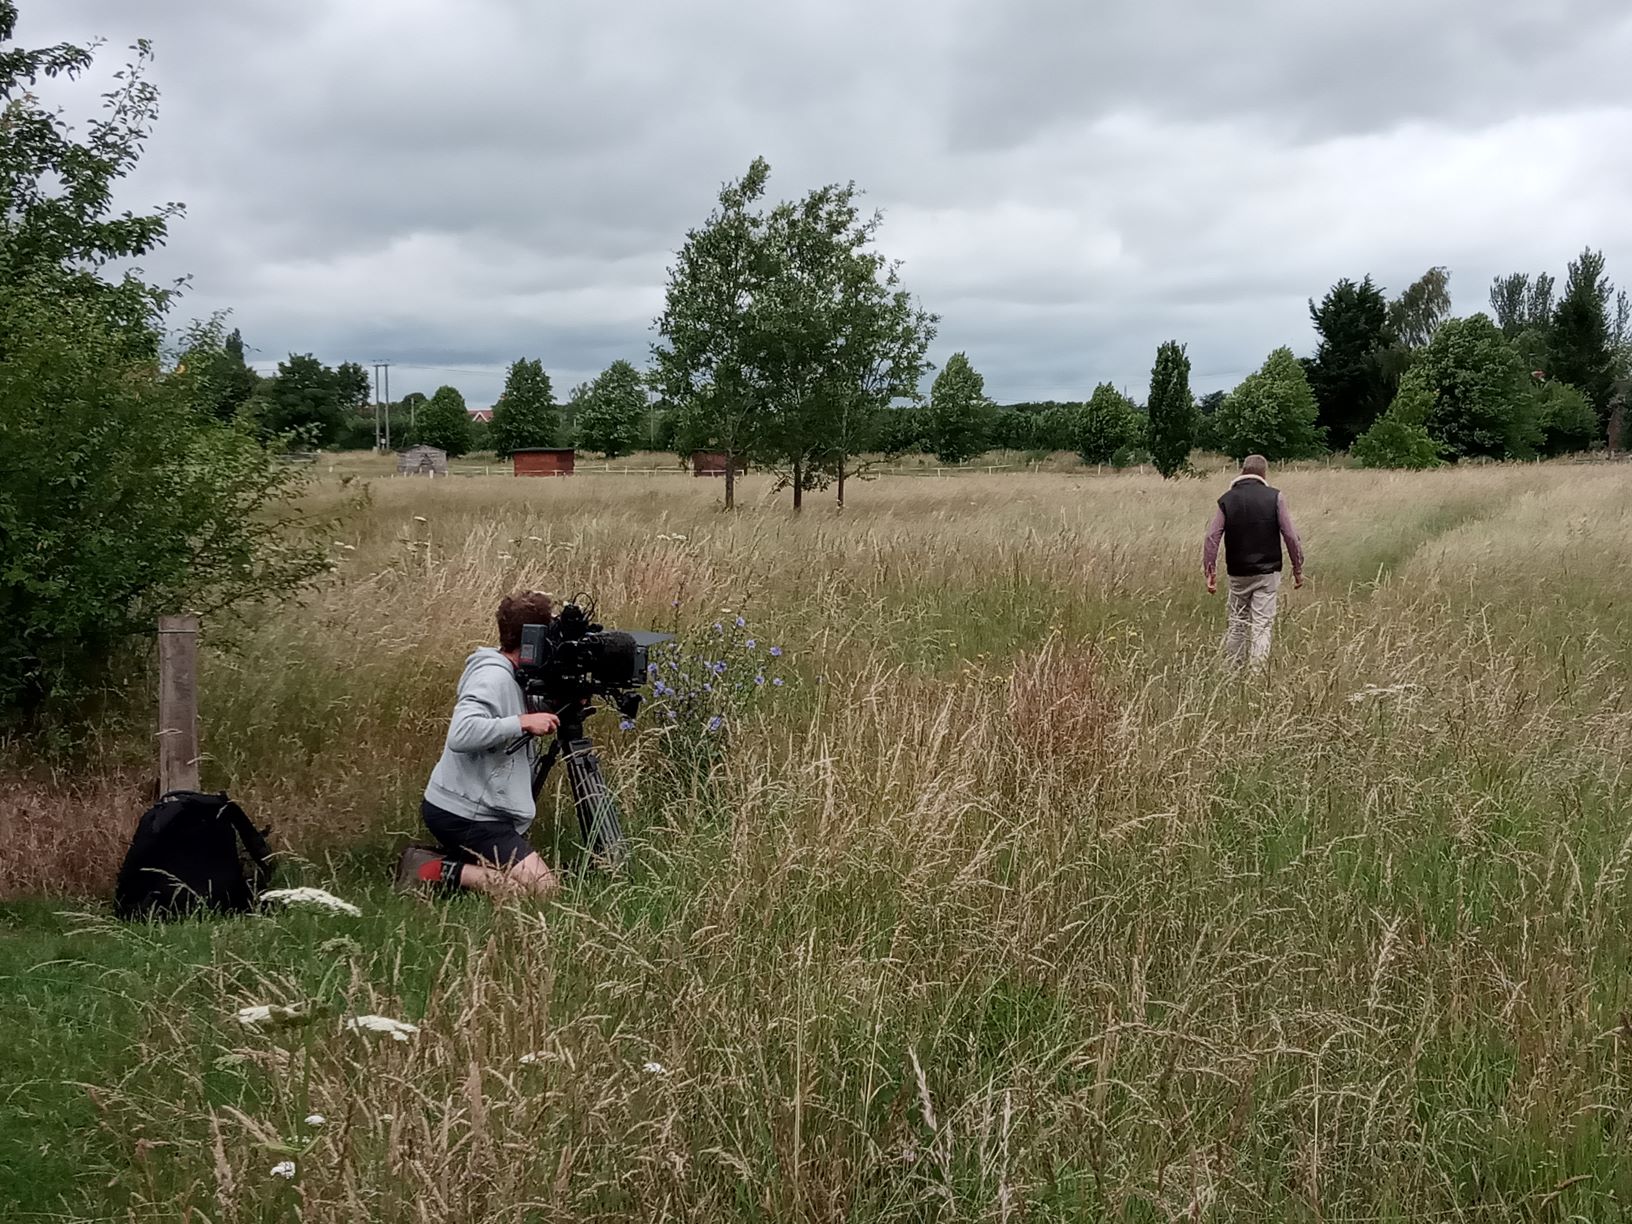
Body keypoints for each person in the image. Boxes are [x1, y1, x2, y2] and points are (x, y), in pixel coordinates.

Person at [396, 591, 563, 898]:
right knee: (542, 890)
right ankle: (422, 867)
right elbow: (461, 733)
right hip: (464, 812)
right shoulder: (492, 675)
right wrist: (522, 723)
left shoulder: (517, 675)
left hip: (481, 809)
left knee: (517, 888)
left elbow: (517, 703)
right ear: (536, 639)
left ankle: (455, 866)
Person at [1202, 454, 1305, 669]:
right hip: (1268, 573)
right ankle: (1257, 675)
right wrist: (1297, 568)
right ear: (1264, 473)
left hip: (1238, 572)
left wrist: (1210, 572)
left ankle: (1232, 671)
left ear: (1242, 471)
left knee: (1238, 624)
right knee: (1262, 626)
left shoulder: (1226, 500)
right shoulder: (1275, 497)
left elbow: (1212, 536)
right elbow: (1290, 535)